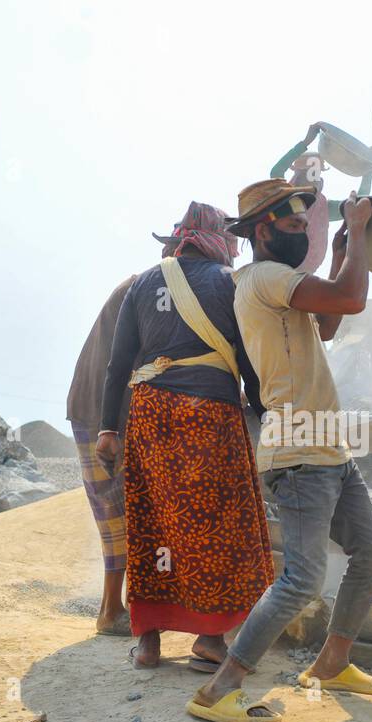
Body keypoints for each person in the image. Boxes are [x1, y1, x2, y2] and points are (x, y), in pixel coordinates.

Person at [186, 179, 372, 722]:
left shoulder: (276, 284)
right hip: (299, 451)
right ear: (263, 231)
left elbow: (329, 322)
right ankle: (220, 688)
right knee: (301, 579)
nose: (304, 235)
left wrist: (346, 252)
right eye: (295, 226)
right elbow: (351, 298)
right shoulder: (266, 276)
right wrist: (364, 232)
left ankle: (332, 662)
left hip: (326, 447)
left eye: (307, 226)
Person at [97, 202, 270, 673]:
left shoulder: (143, 282)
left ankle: (149, 642)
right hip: (208, 414)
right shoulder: (228, 283)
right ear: (220, 240)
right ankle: (210, 640)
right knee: (214, 525)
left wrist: (108, 429)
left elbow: (119, 364)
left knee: (153, 523)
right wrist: (267, 416)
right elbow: (250, 364)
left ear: (181, 237)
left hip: (150, 416)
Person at [66, 225, 185, 637]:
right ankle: (111, 611)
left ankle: (119, 608)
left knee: (123, 514)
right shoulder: (149, 291)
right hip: (102, 413)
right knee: (118, 515)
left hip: (103, 411)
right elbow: (131, 367)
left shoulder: (150, 289)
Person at [269, 123, 372, 273]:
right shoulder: (285, 196)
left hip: (305, 278)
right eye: (307, 172)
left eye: (315, 174)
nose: (311, 178)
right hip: (278, 271)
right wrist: (305, 142)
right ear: (297, 174)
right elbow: (276, 171)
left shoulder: (323, 207)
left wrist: (368, 169)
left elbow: (357, 205)